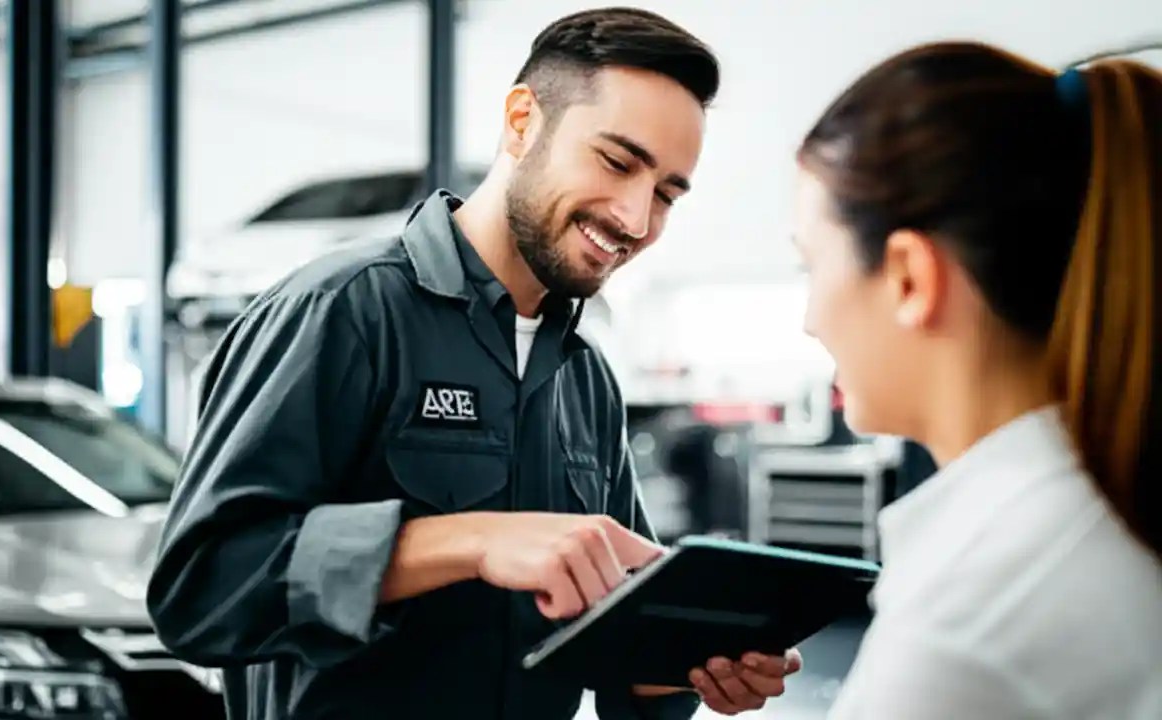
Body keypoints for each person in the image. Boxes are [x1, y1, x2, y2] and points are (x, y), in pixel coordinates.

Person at [147, 8, 800, 720]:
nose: (636, 219)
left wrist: (692, 665)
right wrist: (471, 540)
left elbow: (614, 642)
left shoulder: (586, 380)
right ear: (522, 122)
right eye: (616, 162)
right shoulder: (343, 312)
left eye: (666, 194)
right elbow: (201, 592)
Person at [790, 41, 1162, 718]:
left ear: (909, 276)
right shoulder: (1100, 506)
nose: (810, 320)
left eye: (811, 266)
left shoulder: (967, 624)